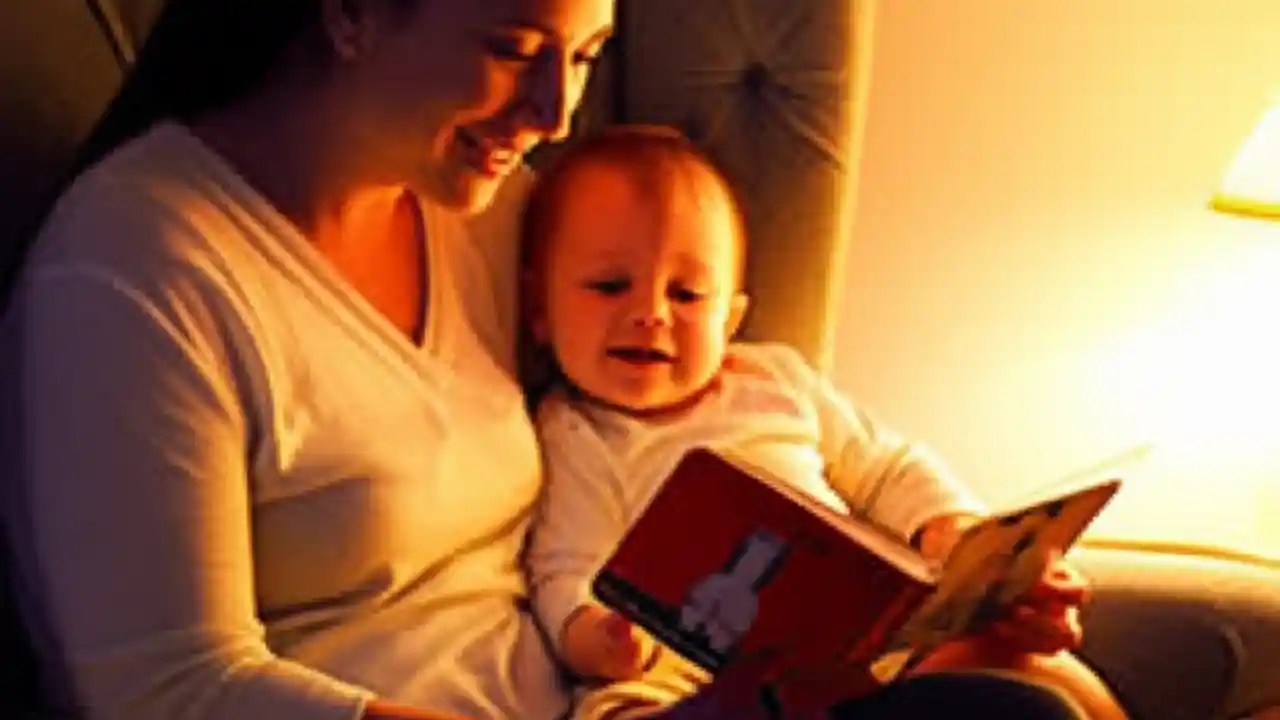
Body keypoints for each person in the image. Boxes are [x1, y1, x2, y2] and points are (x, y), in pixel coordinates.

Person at [0, 2, 1110, 720]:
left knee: (1027, 686)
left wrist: (932, 599)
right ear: (347, 13)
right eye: (515, 51)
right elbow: (163, 689)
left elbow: (686, 435)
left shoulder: (489, 211)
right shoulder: (134, 272)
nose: (552, 112)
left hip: (610, 696)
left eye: (584, 58)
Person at [521, 126, 1127, 719]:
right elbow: (563, 568)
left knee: (1041, 668)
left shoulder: (774, 381)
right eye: (608, 286)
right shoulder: (577, 432)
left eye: (687, 294)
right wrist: (598, 636)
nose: (651, 314)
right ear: (540, 312)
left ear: (731, 320)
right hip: (678, 681)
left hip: (851, 657)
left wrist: (949, 529)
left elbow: (888, 467)